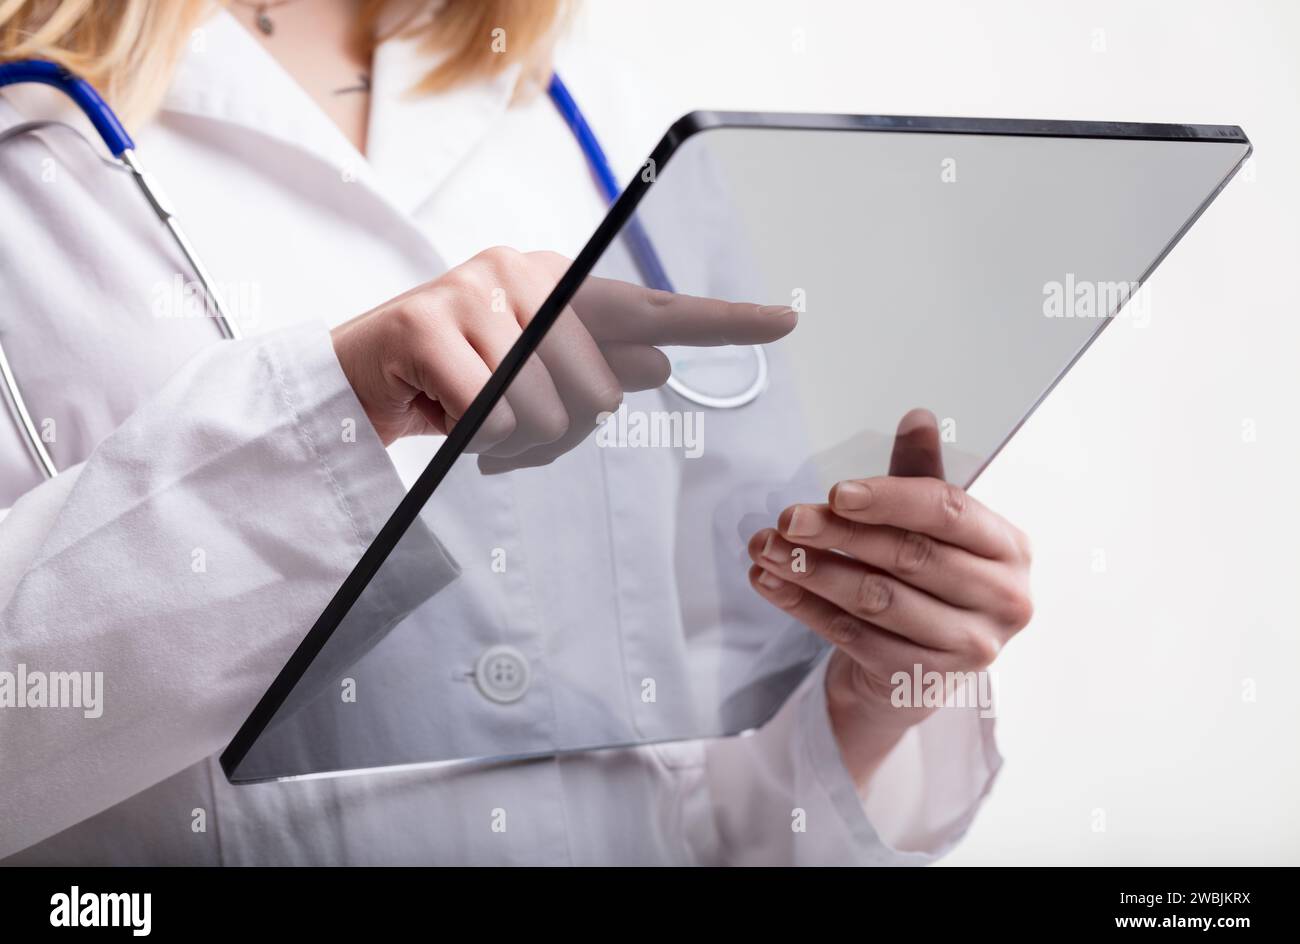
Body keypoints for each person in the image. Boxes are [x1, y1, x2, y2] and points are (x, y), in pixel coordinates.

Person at [0, 0, 1031, 864]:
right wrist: (329, 414)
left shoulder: (600, 111)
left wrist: (873, 683)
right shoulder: (30, 133)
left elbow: (716, 800)